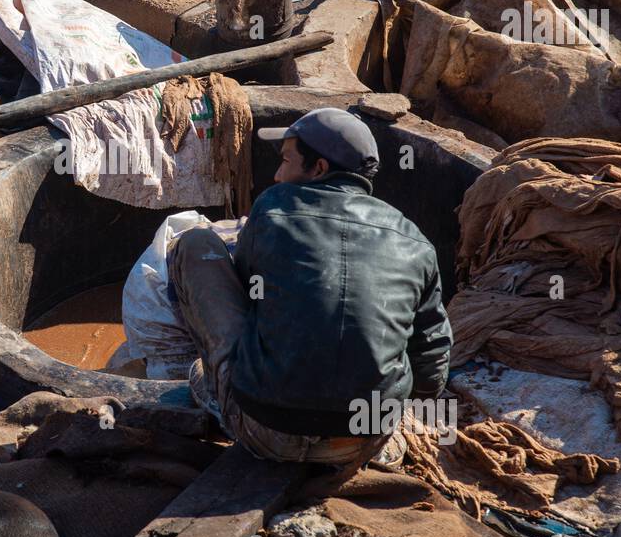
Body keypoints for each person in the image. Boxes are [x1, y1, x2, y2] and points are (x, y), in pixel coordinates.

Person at [168, 107, 452, 473]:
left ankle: (217, 393)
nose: (276, 174)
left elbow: (244, 295)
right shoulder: (414, 240)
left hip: (264, 429)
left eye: (286, 160)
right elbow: (431, 370)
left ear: (318, 168)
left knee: (196, 244)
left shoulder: (274, 206)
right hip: (361, 440)